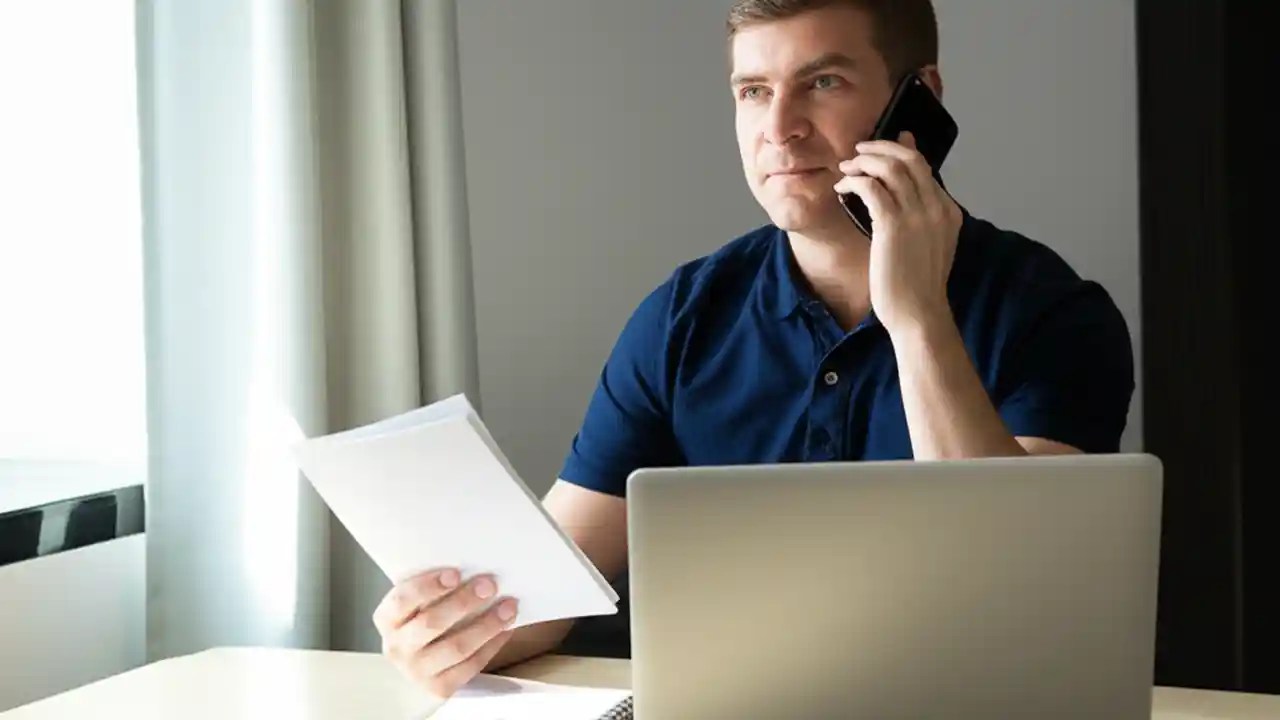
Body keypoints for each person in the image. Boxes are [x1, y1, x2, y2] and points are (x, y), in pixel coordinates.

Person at [373, 0, 1135, 700]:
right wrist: (453, 631)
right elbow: (550, 586)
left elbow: (1012, 592)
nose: (780, 127)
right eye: (752, 91)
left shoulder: (1054, 315)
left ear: (920, 99)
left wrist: (916, 318)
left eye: (823, 82)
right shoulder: (682, 316)